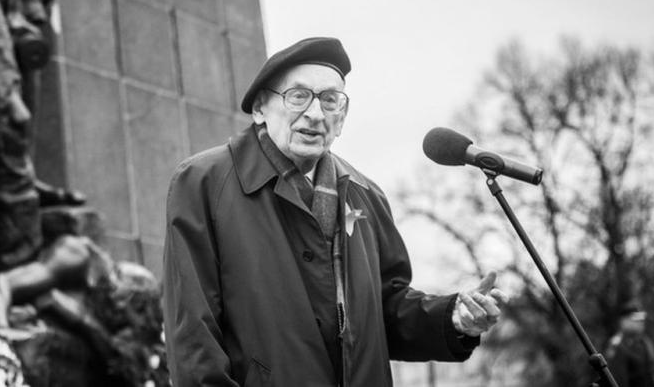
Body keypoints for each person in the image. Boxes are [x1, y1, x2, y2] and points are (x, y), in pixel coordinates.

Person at [163, 36, 508, 386]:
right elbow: (194, 334)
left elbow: (387, 311)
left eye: (329, 100)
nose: (315, 114)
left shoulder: (366, 195)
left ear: (341, 118)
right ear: (259, 109)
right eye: (298, 96)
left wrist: (453, 319)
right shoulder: (203, 183)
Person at [606, 299, 654, 387]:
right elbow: (618, 380)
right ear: (623, 321)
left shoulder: (644, 342)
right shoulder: (617, 345)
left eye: (641, 319)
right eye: (636, 319)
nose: (640, 323)